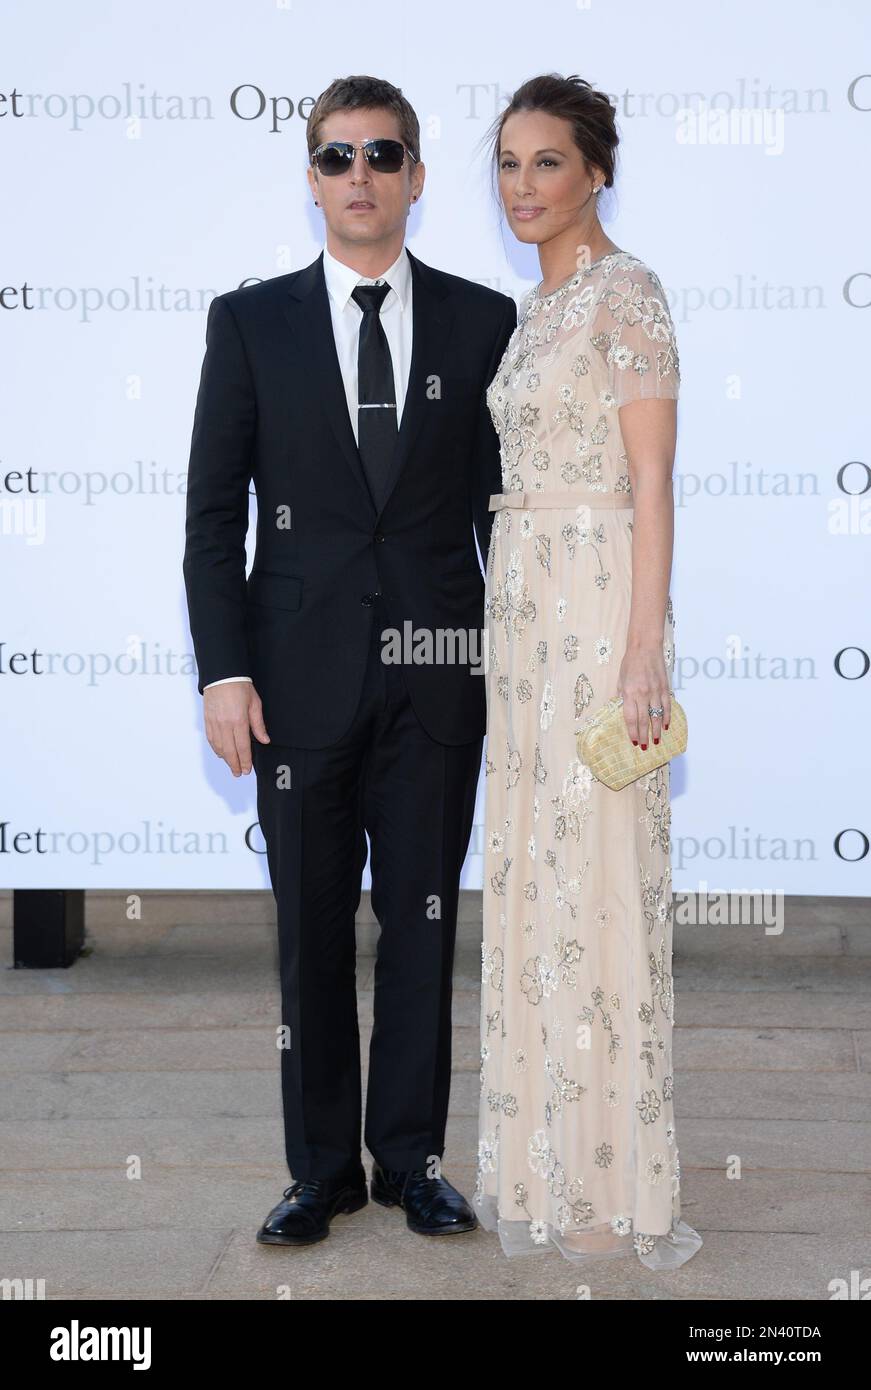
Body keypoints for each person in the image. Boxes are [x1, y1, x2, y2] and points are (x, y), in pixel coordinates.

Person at [182, 74, 516, 1246]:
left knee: (423, 926)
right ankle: (320, 1168)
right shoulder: (252, 320)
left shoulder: (484, 322)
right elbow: (212, 513)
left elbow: (502, 516)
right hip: (294, 688)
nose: (360, 175)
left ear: (417, 177)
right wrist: (224, 672)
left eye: (383, 154)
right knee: (310, 931)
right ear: (312, 177)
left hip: (438, 679)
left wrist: (522, 665)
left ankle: (412, 1161)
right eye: (337, 156)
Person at [473, 73, 703, 1269]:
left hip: (598, 599)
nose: (521, 187)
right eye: (506, 164)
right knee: (535, 880)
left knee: (599, 877)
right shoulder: (532, 309)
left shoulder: (628, 295)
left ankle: (616, 1182)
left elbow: (652, 485)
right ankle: (548, 1167)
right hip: (521, 619)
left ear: (595, 171)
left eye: (545, 163)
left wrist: (641, 650)